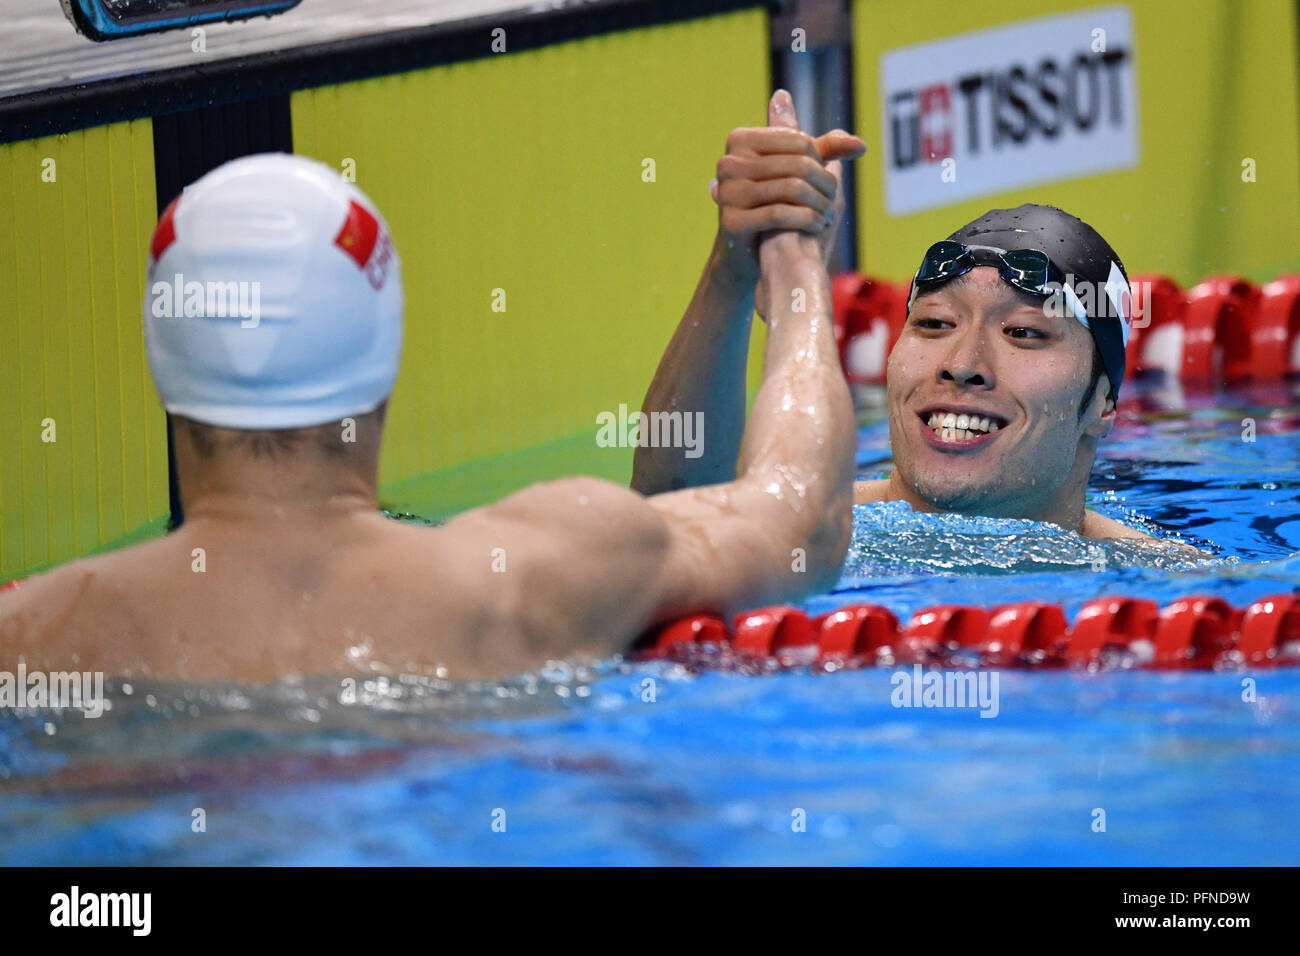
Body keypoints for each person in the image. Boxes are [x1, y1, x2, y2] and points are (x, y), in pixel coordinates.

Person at [0, 93, 856, 682]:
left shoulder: (32, 638)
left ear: (160, 360)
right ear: (386, 353)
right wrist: (792, 266)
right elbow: (797, 516)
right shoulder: (531, 573)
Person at [633, 122, 1158, 543]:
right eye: (933, 323)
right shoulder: (807, 533)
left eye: (1022, 332)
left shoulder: (1162, 586)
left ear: (1102, 403)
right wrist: (731, 273)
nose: (963, 362)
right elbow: (661, 526)